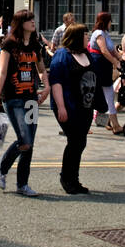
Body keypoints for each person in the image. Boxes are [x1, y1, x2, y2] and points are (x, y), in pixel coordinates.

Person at [0, 10, 49, 196]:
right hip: (13, 97)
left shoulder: (35, 44)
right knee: (25, 139)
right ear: (20, 23)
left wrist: (46, 87)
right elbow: (2, 72)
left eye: (33, 19)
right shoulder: (9, 44)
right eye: (29, 20)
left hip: (31, 97)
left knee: (29, 142)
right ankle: (1, 167)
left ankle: (22, 184)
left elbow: (41, 69)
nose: (33, 22)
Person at [49, 23, 107, 194]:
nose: (88, 38)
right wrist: (61, 107)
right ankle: (66, 178)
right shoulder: (61, 56)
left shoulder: (85, 54)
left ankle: (74, 179)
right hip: (68, 106)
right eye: (85, 35)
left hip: (85, 107)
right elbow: (56, 83)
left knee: (80, 142)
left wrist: (100, 105)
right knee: (74, 142)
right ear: (76, 37)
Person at [89, 12, 124, 134]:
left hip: (105, 66)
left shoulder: (106, 33)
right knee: (99, 94)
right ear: (105, 21)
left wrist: (121, 59)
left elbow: (112, 49)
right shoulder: (98, 33)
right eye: (110, 20)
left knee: (108, 94)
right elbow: (103, 50)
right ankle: (113, 124)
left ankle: (112, 123)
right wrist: (116, 62)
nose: (111, 23)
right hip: (98, 66)